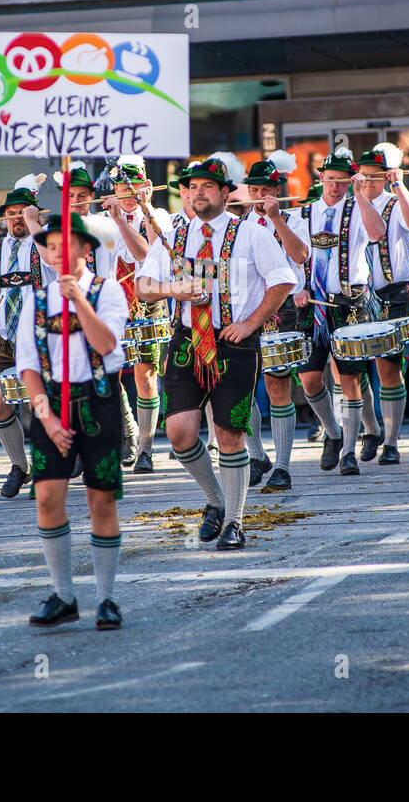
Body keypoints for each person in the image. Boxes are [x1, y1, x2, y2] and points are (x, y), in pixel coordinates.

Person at [135, 156, 294, 549]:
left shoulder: (250, 233)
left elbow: (283, 280)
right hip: (187, 341)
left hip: (234, 344)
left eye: (207, 186)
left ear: (225, 193)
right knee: (179, 433)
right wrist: (174, 290)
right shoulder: (172, 236)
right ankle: (216, 502)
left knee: (229, 434)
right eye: (191, 187)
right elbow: (143, 286)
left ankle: (235, 523)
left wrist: (251, 323)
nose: (197, 192)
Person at [16, 213, 129, 629]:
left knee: (101, 499)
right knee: (47, 498)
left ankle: (106, 598)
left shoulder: (108, 291)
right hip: (52, 405)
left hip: (98, 402)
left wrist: (79, 301)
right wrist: (46, 421)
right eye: (50, 246)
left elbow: (106, 344)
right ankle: (64, 595)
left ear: (85, 249)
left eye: (67, 244)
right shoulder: (34, 300)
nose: (58, 251)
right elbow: (28, 367)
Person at [295, 147, 387, 476]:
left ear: (350, 182)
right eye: (330, 180)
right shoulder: (303, 214)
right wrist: (297, 289)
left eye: (342, 181)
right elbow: (291, 257)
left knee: (350, 377)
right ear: (320, 179)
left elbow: (377, 234)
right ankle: (332, 433)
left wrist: (361, 194)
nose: (335, 186)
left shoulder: (359, 207)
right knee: (308, 378)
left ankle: (348, 449)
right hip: (313, 302)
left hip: (349, 301)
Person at [0, 176, 55, 496]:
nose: (17, 217)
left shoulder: (46, 242)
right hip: (1, 337)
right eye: (12, 212)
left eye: (24, 211)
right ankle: (19, 466)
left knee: (40, 404)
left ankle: (46, 466)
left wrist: (36, 226)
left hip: (40, 336)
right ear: (3, 217)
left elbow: (54, 262)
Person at [353, 143, 409, 464]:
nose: (368, 182)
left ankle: (392, 441)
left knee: (388, 370)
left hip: (390, 294)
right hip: (356, 296)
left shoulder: (395, 201)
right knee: (354, 371)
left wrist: (399, 185)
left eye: (374, 177)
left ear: (385, 177)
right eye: (363, 176)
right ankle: (371, 430)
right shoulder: (349, 205)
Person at [241, 151, 310, 490]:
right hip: (246, 309)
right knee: (242, 385)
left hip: (281, 307)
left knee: (277, 385)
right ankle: (256, 455)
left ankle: (282, 466)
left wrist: (277, 220)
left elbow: (300, 256)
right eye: (254, 189)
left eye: (266, 188)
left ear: (276, 190)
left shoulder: (294, 218)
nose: (259, 194)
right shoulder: (240, 224)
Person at [104, 156, 174, 474]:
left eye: (134, 186)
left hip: (147, 301)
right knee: (110, 373)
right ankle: (128, 431)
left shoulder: (158, 215)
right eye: (122, 186)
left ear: (146, 186)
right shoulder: (101, 219)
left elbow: (144, 254)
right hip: (112, 303)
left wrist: (131, 216)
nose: (127, 192)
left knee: (146, 377)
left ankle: (145, 448)